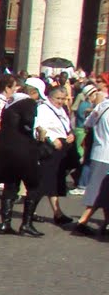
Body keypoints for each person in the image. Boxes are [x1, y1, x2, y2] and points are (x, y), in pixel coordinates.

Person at [0, 78, 45, 236]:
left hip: (6, 149)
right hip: (23, 150)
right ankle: (26, 224)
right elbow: (28, 123)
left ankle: (5, 224)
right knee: (34, 185)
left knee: (10, 185)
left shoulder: (10, 103)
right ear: (33, 92)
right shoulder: (28, 102)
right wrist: (38, 132)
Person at [34, 83, 75, 226]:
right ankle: (30, 211)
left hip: (62, 146)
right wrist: (51, 140)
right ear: (51, 97)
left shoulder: (61, 109)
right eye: (58, 98)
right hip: (50, 147)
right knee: (45, 181)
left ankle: (57, 213)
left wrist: (70, 134)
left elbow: (65, 125)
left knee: (53, 181)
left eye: (63, 99)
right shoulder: (43, 109)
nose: (61, 101)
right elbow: (39, 127)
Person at [74, 84, 109, 236]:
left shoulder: (102, 106)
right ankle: (82, 221)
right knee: (99, 190)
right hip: (106, 156)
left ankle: (106, 224)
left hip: (97, 151)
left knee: (103, 190)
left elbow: (87, 124)